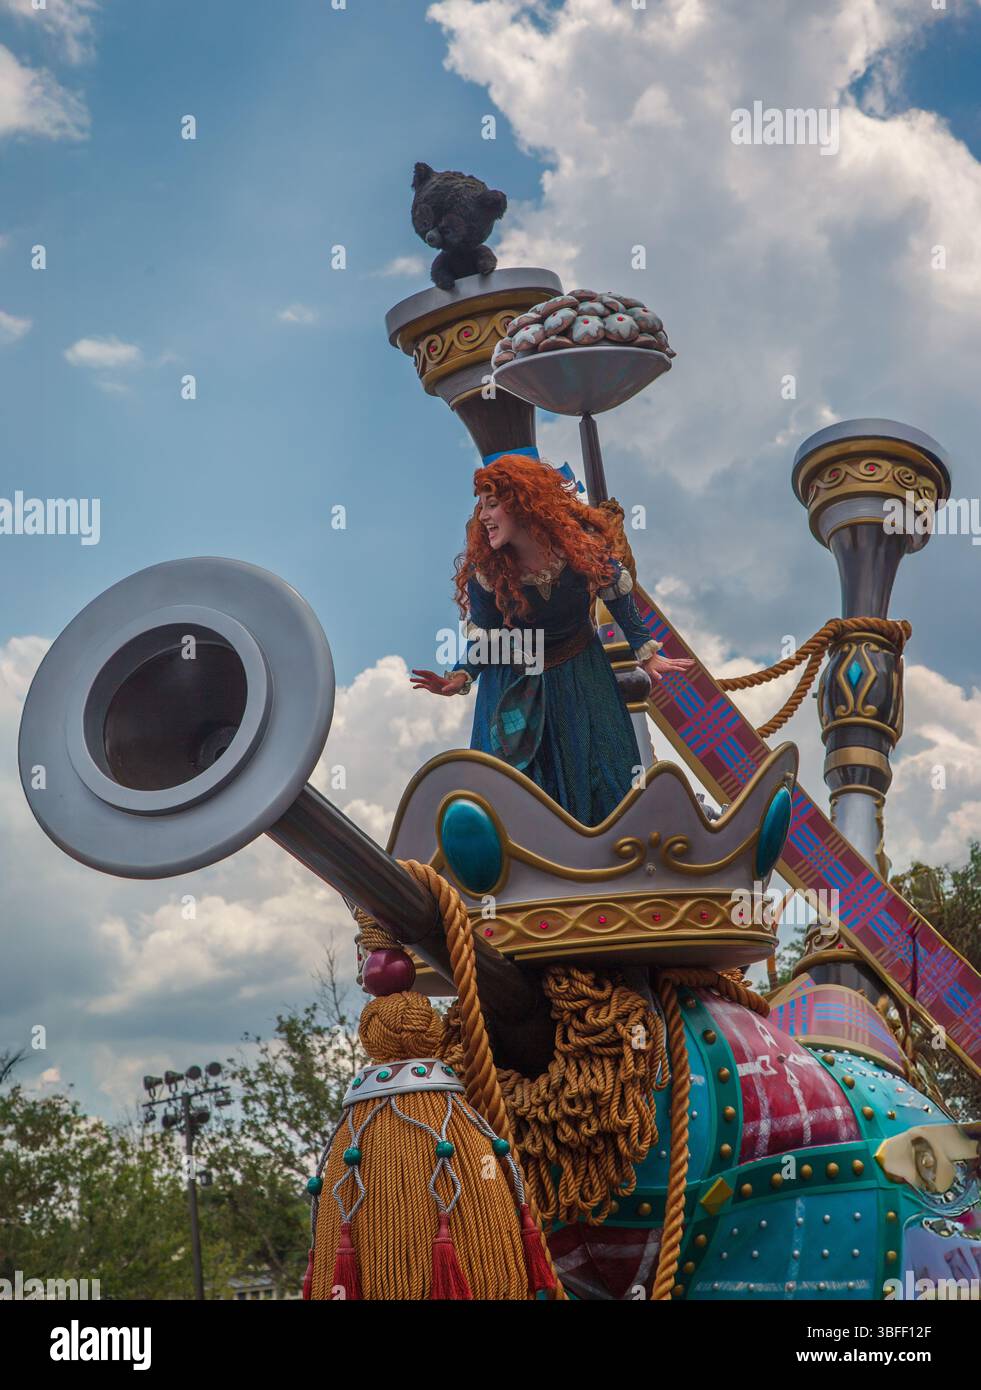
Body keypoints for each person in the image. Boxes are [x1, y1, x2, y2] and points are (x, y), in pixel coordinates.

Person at [411, 454, 692, 824]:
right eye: (480, 506)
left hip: (580, 672)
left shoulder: (579, 551)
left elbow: (617, 593)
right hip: (515, 681)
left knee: (605, 772)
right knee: (516, 792)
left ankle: (612, 853)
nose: (482, 517)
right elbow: (487, 637)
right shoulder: (489, 572)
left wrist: (646, 651)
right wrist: (460, 676)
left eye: (492, 505)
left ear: (524, 507)